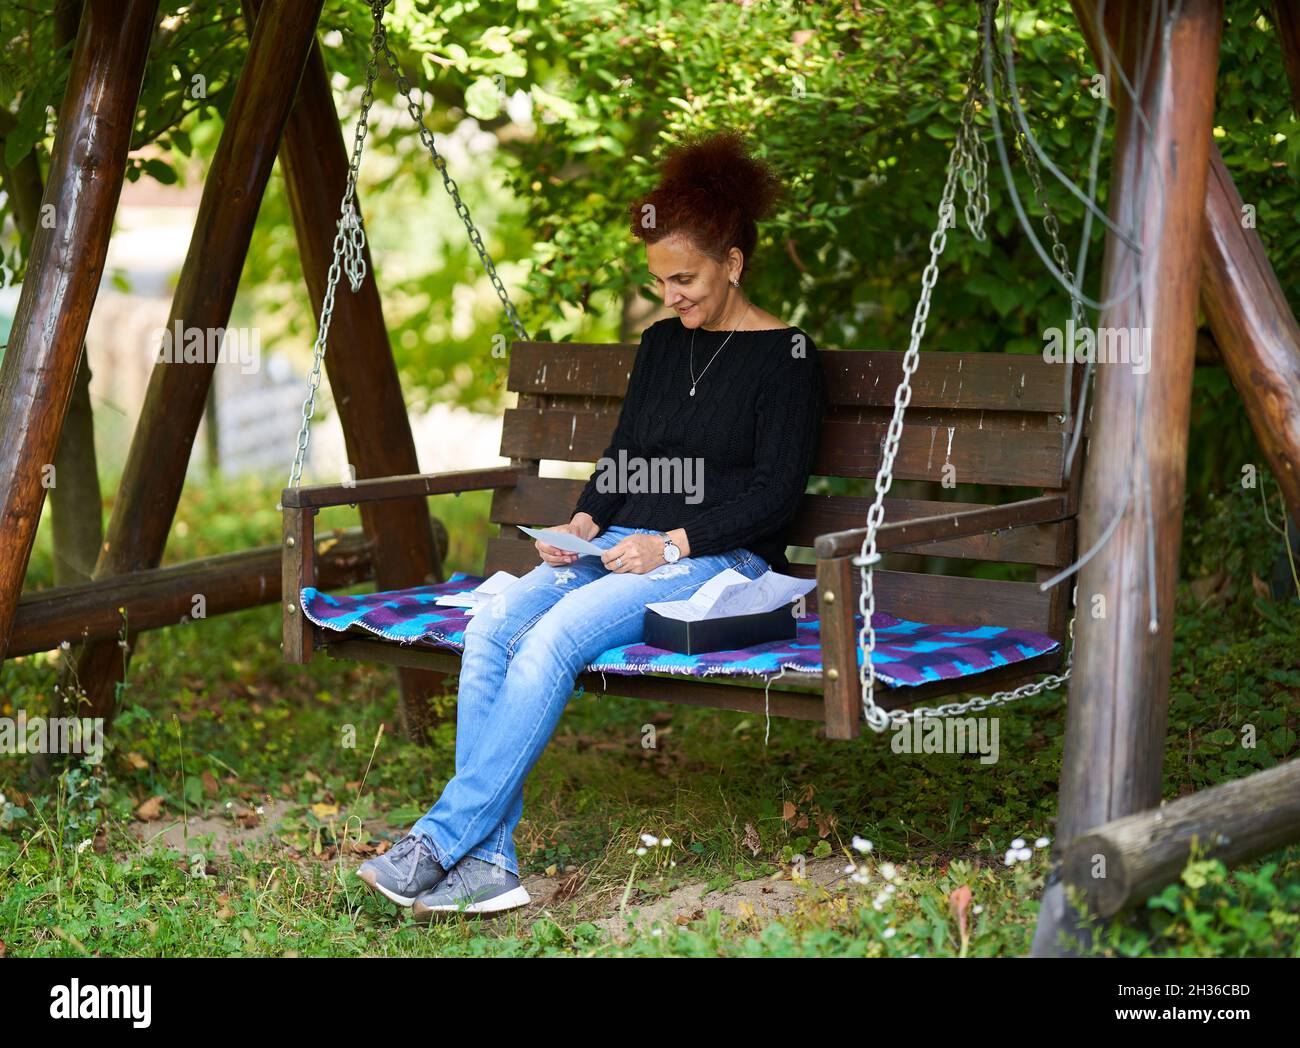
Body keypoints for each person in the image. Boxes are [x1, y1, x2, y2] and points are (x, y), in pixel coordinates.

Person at [357, 128, 824, 918]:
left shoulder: (789, 358)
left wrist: (669, 544)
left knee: (554, 638)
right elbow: (627, 455)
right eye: (660, 281)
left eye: (687, 280)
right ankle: (492, 862)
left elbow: (778, 496)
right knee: (495, 622)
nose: (672, 296)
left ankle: (439, 843)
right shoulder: (660, 346)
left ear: (734, 263)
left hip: (717, 560)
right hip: (620, 546)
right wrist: (581, 523)